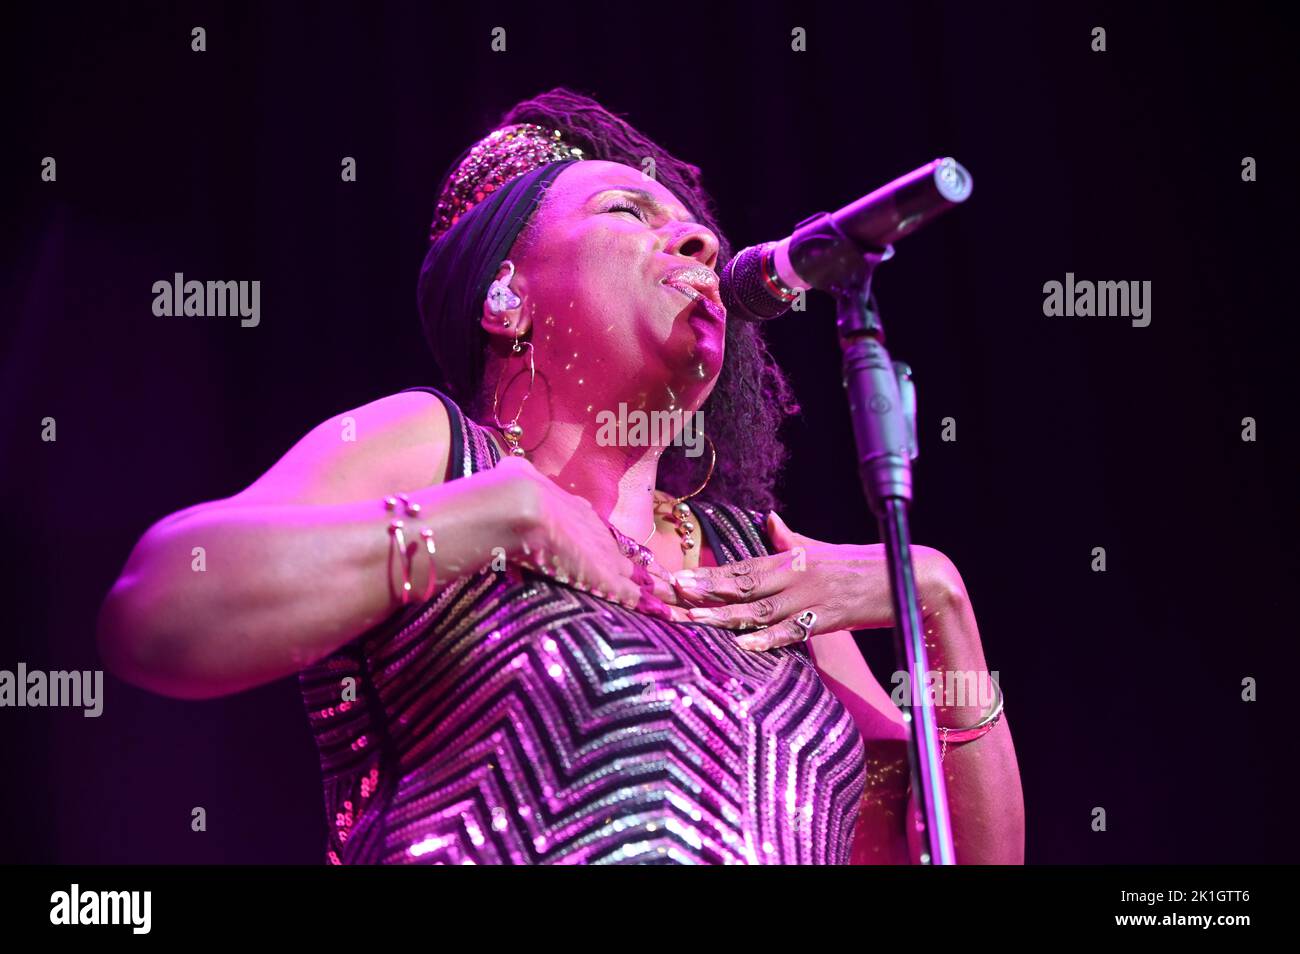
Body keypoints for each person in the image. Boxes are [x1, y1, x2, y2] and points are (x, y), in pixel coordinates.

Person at [96, 88, 1024, 864]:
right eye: (629, 212)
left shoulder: (762, 570)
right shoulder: (442, 450)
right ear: (505, 297)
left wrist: (939, 601)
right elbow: (160, 608)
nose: (700, 243)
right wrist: (498, 513)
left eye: (697, 228)